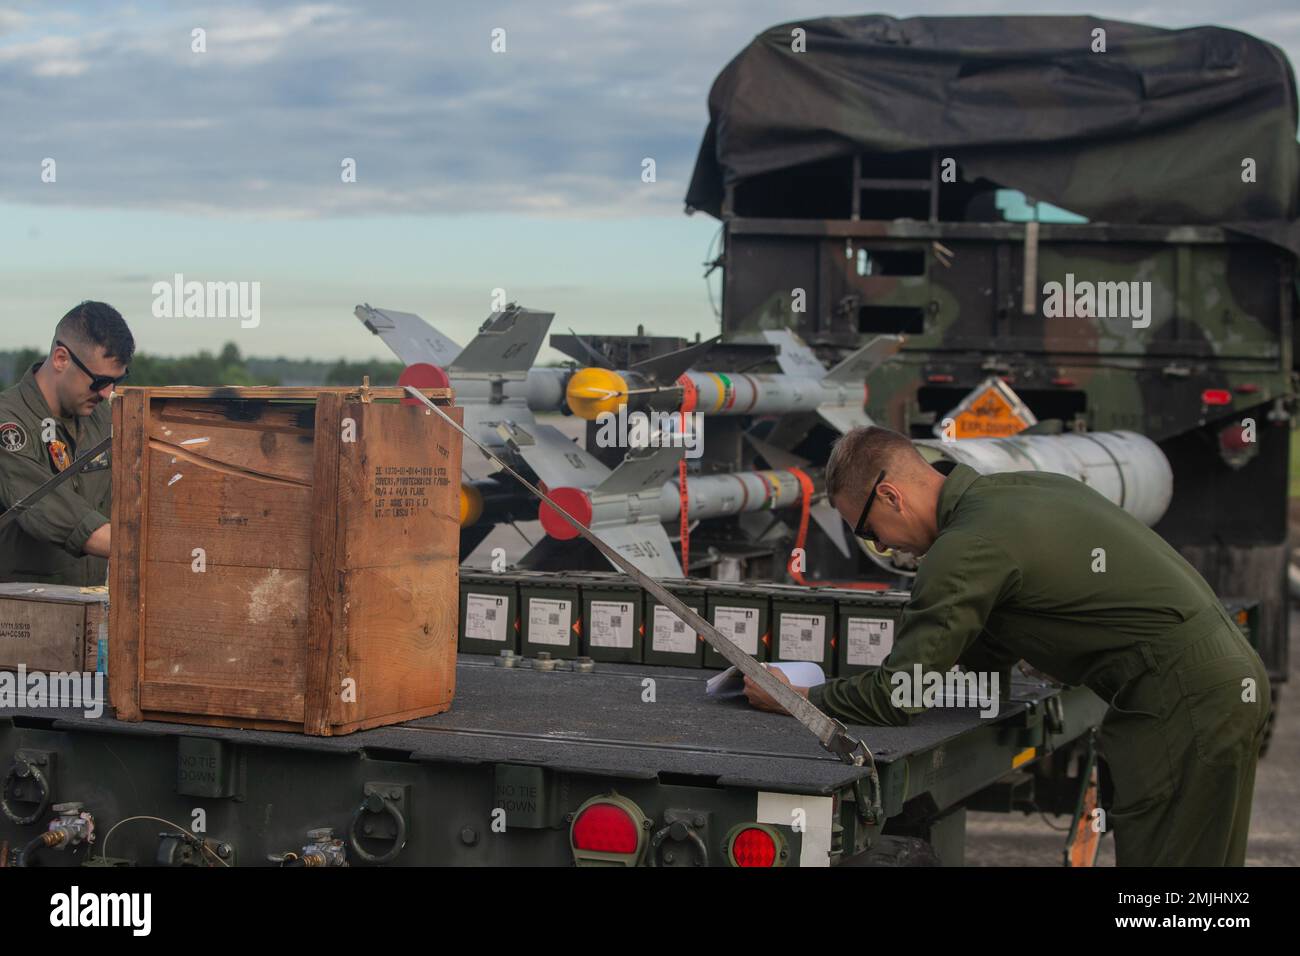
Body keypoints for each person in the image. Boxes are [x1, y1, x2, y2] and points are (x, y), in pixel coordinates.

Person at [744, 425, 1271, 866]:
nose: (881, 547)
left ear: (890, 496)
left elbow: (897, 697)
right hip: (1220, 680)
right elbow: (987, 646)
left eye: (870, 531)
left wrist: (797, 698)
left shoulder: (966, 548)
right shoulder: (1024, 491)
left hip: (1183, 703)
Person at [0, 302, 134, 586]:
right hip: (20, 614)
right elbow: (41, 504)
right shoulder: (9, 422)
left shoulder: (105, 419)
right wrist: (139, 548)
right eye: (99, 381)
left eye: (117, 381)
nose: (108, 393)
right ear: (61, 359)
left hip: (91, 607)